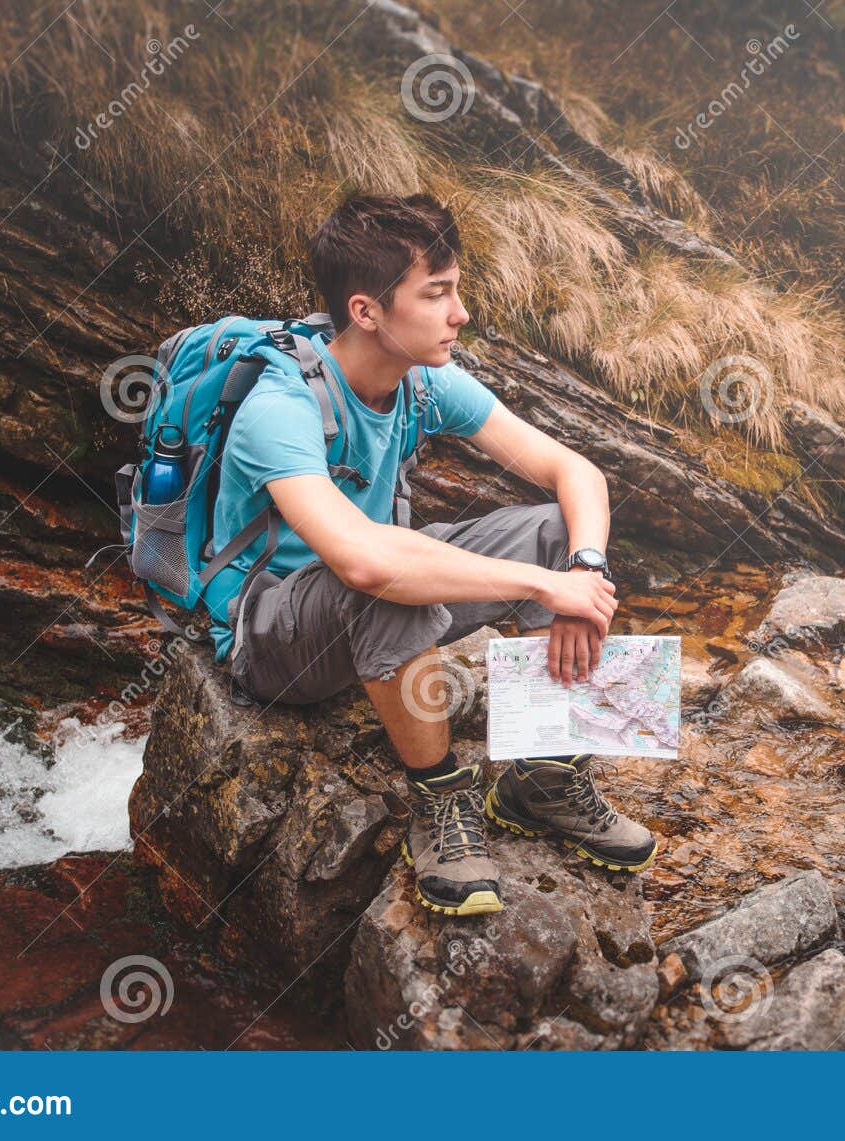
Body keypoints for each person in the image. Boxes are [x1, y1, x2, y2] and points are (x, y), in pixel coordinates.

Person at [204, 193, 656, 917]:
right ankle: (441, 800)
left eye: (458, 289)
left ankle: (541, 777)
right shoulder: (279, 409)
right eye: (437, 293)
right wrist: (546, 587)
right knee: (387, 578)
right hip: (273, 638)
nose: (461, 313)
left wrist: (583, 570)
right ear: (367, 311)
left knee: (556, 531)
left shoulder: (423, 380)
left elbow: (578, 474)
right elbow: (364, 564)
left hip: (366, 594)